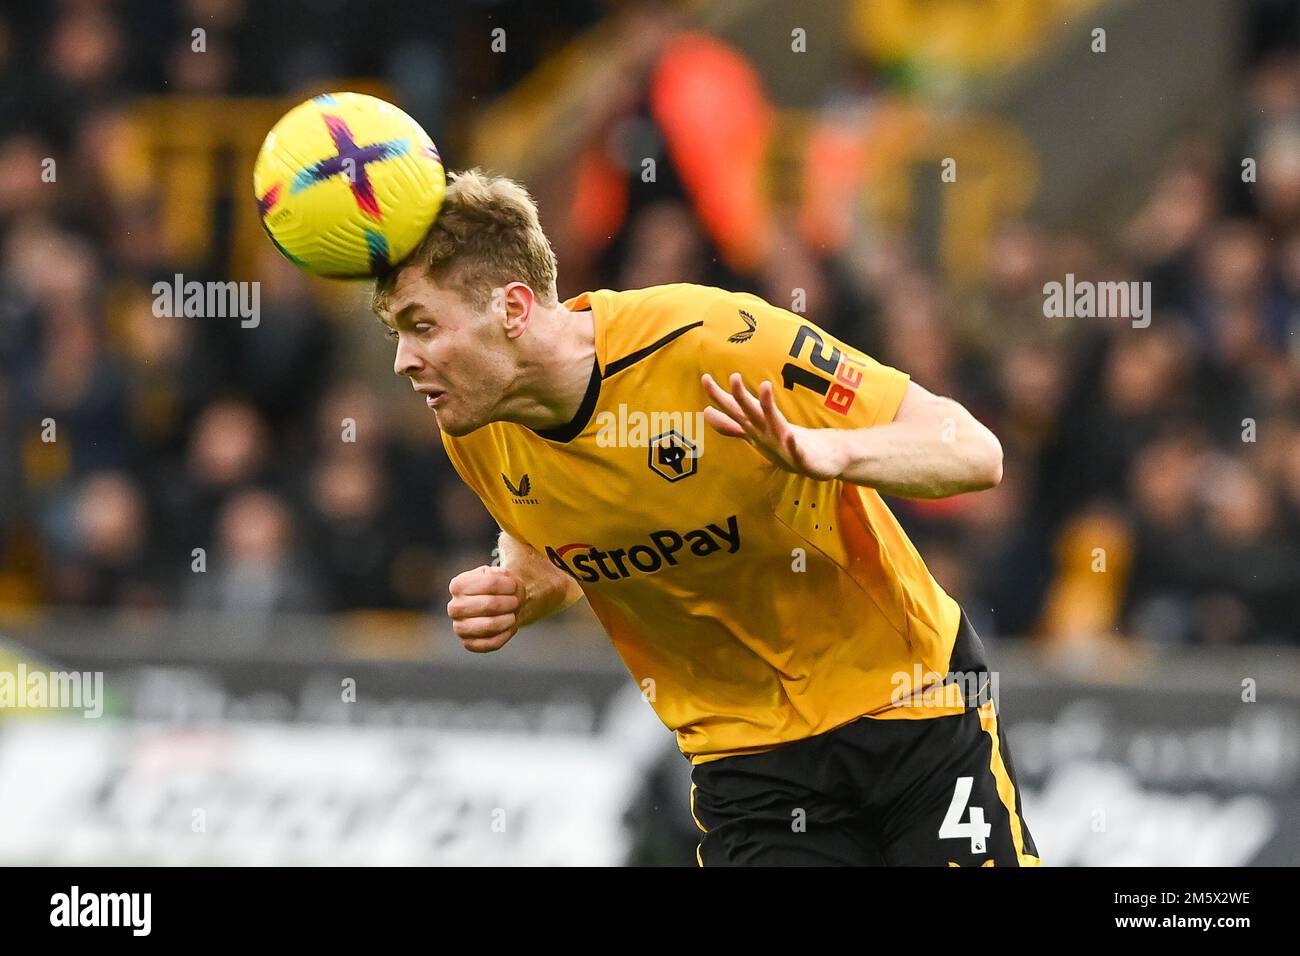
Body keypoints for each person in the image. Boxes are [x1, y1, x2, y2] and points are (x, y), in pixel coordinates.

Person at [371, 169, 1040, 867]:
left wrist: (831, 449)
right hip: (749, 764)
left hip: (912, 710)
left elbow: (973, 450)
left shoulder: (713, 341)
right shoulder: (472, 428)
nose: (402, 362)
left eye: (421, 326)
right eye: (396, 332)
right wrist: (521, 590)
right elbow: (558, 548)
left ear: (512, 308)